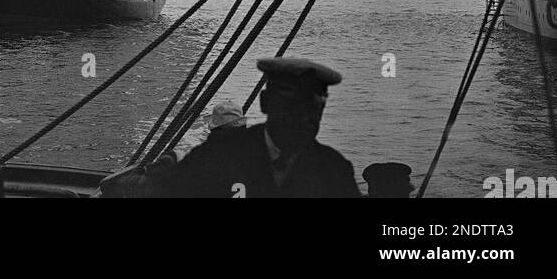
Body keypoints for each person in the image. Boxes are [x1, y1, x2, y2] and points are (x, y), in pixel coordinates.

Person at [98, 56, 361, 198]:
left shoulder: (334, 169)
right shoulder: (216, 156)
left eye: (314, 109)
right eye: (292, 108)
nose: (305, 120)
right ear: (266, 103)